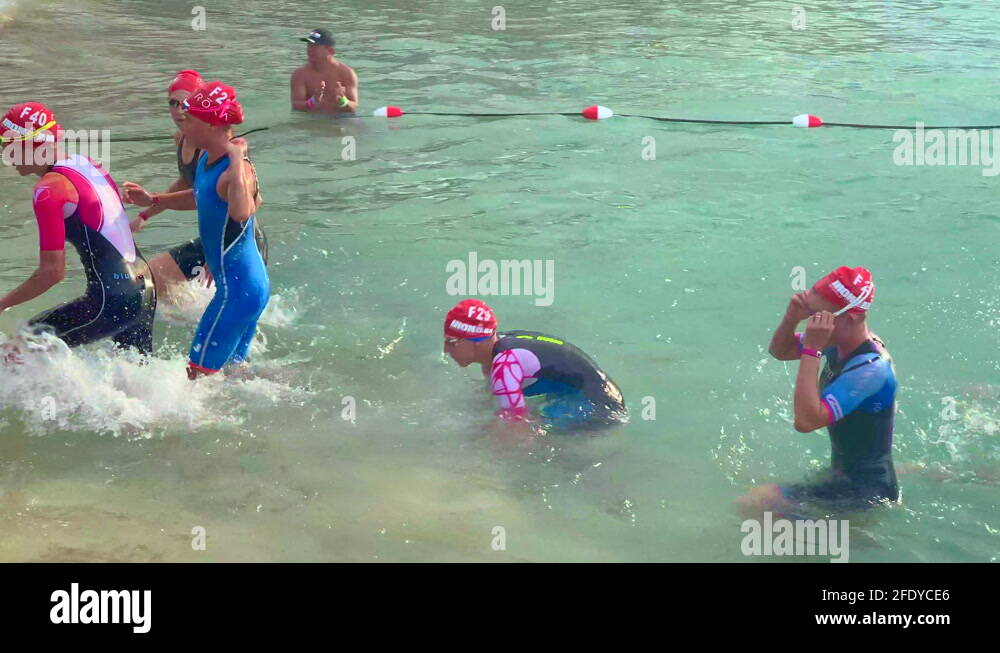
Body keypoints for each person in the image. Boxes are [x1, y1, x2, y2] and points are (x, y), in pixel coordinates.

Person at [739, 266, 898, 516]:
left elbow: (805, 421)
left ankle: (846, 541)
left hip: (865, 492)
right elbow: (781, 351)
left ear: (852, 317)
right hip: (842, 473)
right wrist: (792, 317)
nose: (812, 324)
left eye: (819, 317)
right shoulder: (840, 340)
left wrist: (812, 350)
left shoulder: (871, 370)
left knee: (755, 503)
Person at [0, 102, 156, 354]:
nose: (5, 156)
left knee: (14, 351)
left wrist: (2, 304)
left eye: (6, 146)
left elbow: (52, 273)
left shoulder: (49, 190)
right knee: (138, 384)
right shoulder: (88, 164)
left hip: (111, 301)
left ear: (27, 145)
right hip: (144, 287)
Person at [124, 70, 268, 303]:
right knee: (149, 289)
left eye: (187, 104)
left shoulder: (215, 149)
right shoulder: (183, 139)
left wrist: (218, 253)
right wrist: (146, 212)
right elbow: (189, 184)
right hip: (212, 242)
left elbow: (250, 202)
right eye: (173, 103)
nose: (180, 110)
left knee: (143, 285)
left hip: (235, 243)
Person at [171, 81, 269, 379]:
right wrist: (155, 202)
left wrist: (238, 159)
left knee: (197, 375)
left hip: (239, 292)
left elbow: (241, 212)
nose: (182, 122)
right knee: (233, 376)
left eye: (191, 118)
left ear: (213, 124)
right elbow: (206, 198)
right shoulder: (205, 159)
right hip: (240, 284)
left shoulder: (236, 170)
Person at [443, 299, 627, 430]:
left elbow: (517, 429)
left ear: (474, 342)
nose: (446, 349)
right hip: (594, 392)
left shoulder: (504, 365)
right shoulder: (497, 347)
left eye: (452, 342)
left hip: (599, 410)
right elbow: (490, 397)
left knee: (534, 429)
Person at [290, 28, 359, 114]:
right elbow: (296, 106)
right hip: (312, 118)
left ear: (330, 51)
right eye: (309, 45)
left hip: (341, 119)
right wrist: (313, 101)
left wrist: (342, 101)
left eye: (315, 46)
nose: (309, 50)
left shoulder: (347, 73)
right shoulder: (300, 74)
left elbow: (354, 108)